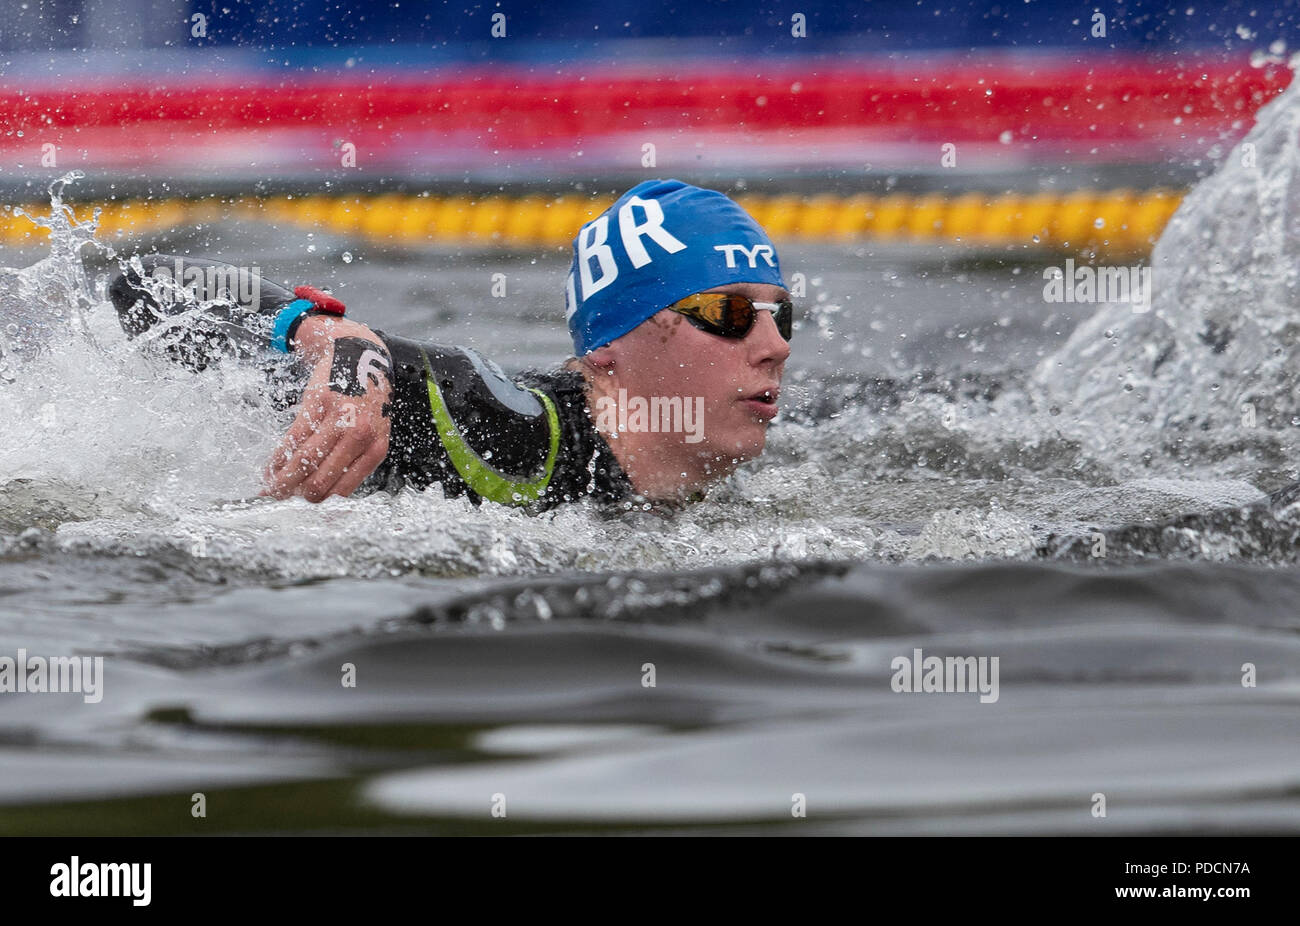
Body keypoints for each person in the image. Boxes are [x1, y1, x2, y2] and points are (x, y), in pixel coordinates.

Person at [109, 179, 794, 509]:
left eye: (780, 317)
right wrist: (333, 338)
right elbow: (145, 285)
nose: (775, 347)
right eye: (728, 313)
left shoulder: (725, 487)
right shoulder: (508, 427)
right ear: (609, 343)